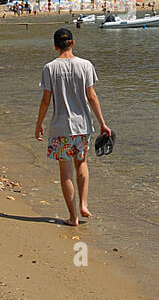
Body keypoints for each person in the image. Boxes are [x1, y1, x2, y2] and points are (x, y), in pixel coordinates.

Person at [35, 27, 111, 227]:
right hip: (83, 125)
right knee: (82, 163)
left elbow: (45, 100)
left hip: (61, 127)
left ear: (55, 46)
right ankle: (84, 203)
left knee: (66, 171)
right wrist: (102, 122)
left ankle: (73, 216)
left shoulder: (50, 68)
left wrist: (39, 124)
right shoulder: (85, 65)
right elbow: (92, 96)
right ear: (73, 43)